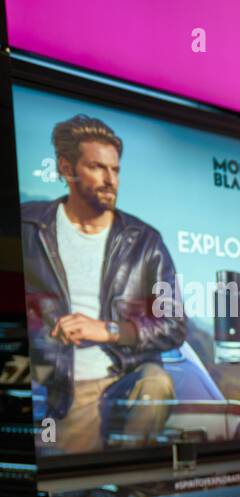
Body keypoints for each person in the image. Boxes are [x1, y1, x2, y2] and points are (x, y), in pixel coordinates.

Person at [22, 114, 185, 453]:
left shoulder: (146, 242)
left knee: (157, 383)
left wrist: (109, 330)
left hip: (121, 377)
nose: (110, 180)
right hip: (57, 385)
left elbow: (173, 324)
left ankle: (134, 484)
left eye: (115, 169)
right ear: (67, 170)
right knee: (65, 480)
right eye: (98, 168)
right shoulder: (27, 227)